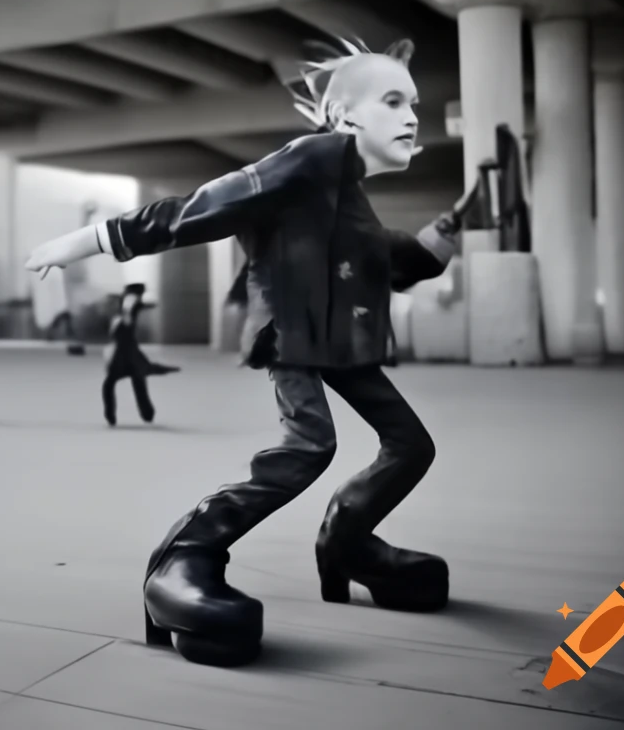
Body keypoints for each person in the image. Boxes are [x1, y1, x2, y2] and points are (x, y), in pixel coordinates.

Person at [26, 33, 480, 668]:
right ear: (345, 116)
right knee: (309, 444)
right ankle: (185, 556)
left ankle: (346, 543)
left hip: (340, 342)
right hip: (294, 335)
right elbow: (205, 207)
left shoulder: (346, 189)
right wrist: (89, 240)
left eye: (415, 104)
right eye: (393, 101)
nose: (411, 117)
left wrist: (456, 221)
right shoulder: (313, 158)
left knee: (410, 445)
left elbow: (392, 256)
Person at [101, 283, 180, 426]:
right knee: (137, 379)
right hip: (129, 349)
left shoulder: (128, 302)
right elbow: (132, 307)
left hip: (124, 350)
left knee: (112, 382)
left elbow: (128, 309)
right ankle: (147, 413)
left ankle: (113, 415)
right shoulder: (129, 302)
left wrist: (127, 312)